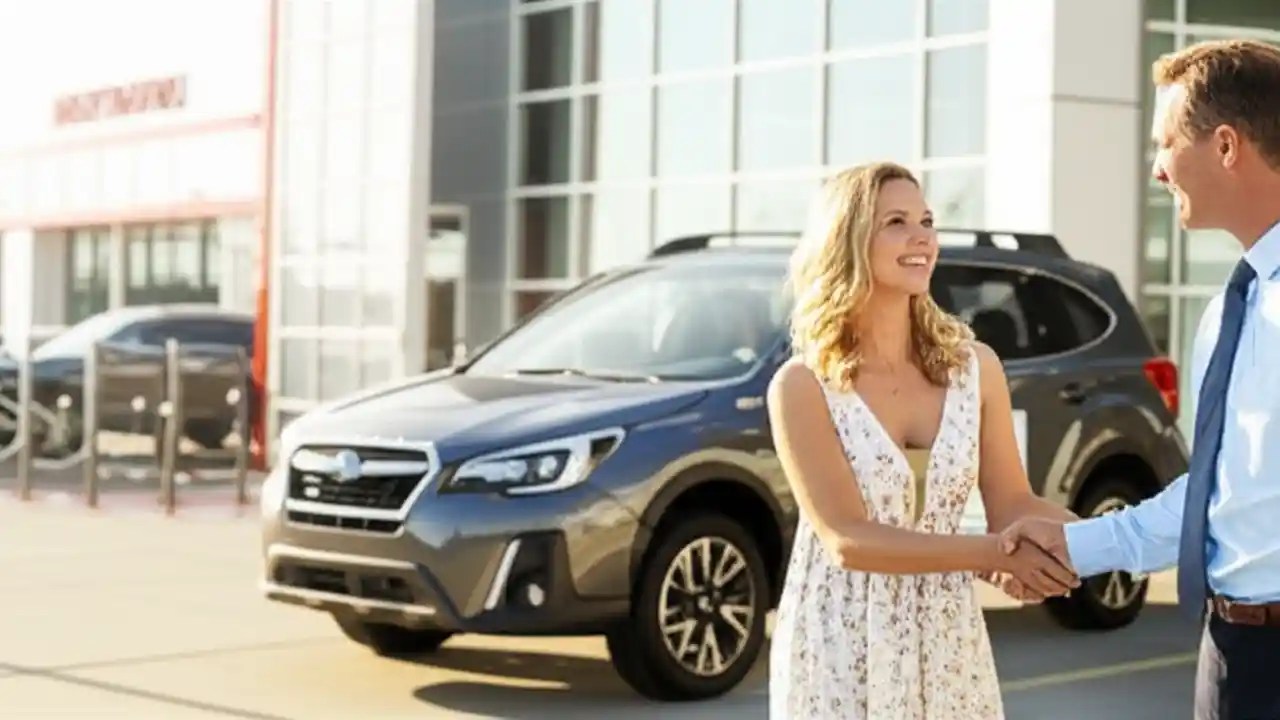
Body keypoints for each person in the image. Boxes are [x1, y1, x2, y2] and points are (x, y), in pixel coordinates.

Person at [999, 39, 1280, 719]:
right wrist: (1069, 546)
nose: (1156, 170)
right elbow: (1218, 499)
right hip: (1232, 654)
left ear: (1225, 146)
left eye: (1163, 143)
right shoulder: (1230, 312)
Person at [766, 161, 1080, 719]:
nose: (923, 238)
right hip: (838, 640)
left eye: (927, 220)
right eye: (896, 222)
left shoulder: (976, 369)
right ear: (848, 240)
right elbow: (847, 539)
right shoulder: (801, 385)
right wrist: (990, 554)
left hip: (948, 633)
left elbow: (1011, 503)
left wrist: (1117, 538)